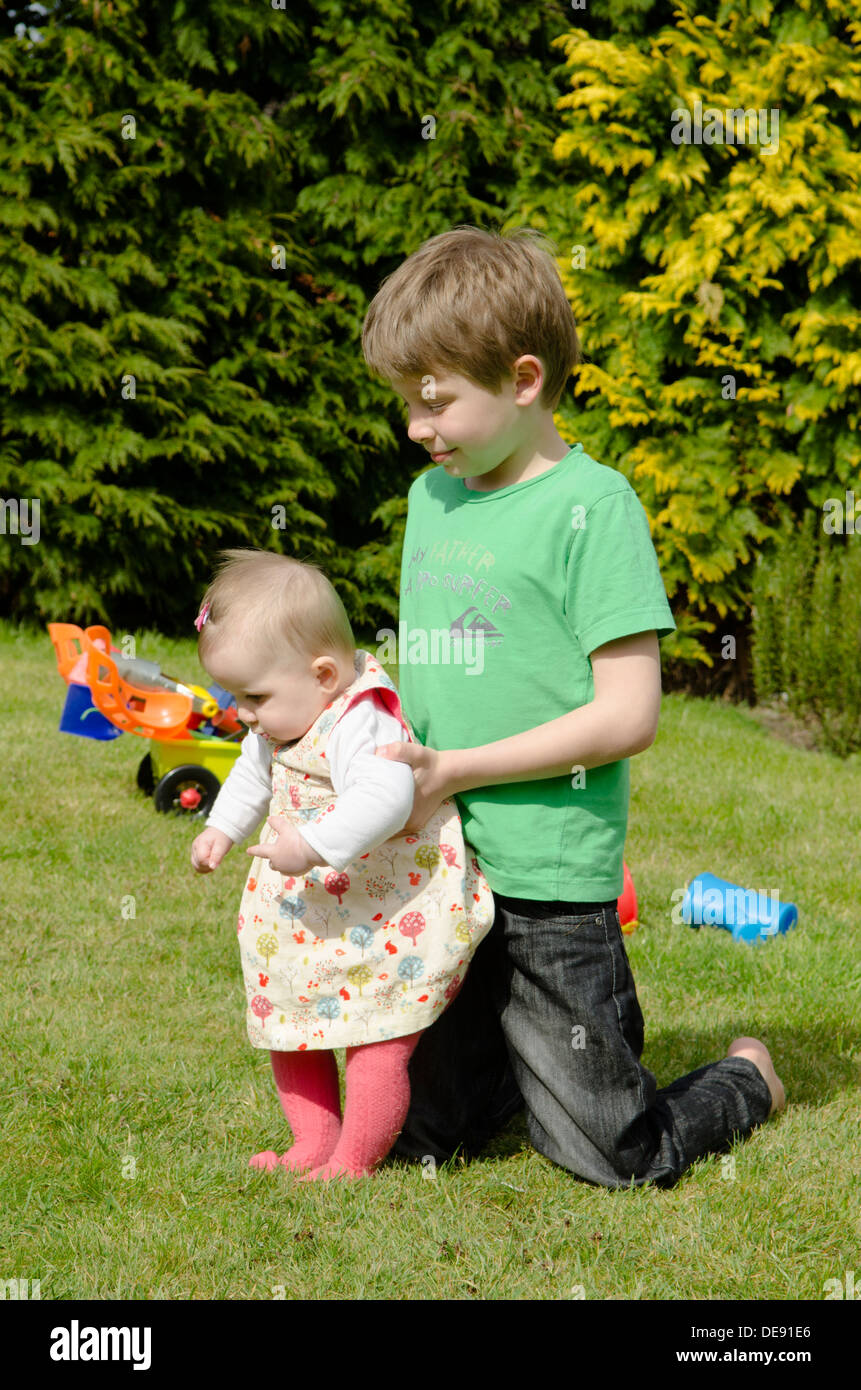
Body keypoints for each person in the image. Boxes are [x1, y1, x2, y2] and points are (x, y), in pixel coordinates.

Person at [361, 224, 785, 1188]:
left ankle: (745, 1078)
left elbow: (628, 715)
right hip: (443, 868)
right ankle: (524, 1065)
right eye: (407, 405)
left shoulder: (594, 509)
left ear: (520, 380)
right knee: (425, 1138)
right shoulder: (435, 499)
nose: (418, 429)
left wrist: (461, 769)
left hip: (550, 880)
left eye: (434, 403)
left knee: (612, 1155)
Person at [189, 549, 494, 1180]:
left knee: (376, 1030)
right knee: (291, 1017)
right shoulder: (277, 722)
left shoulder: (362, 718)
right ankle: (311, 1141)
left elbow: (388, 797)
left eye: (255, 695)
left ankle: (354, 1158)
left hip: (386, 908)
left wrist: (310, 844)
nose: (243, 712)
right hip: (313, 908)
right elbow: (252, 777)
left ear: (324, 673)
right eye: (236, 695)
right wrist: (221, 828)